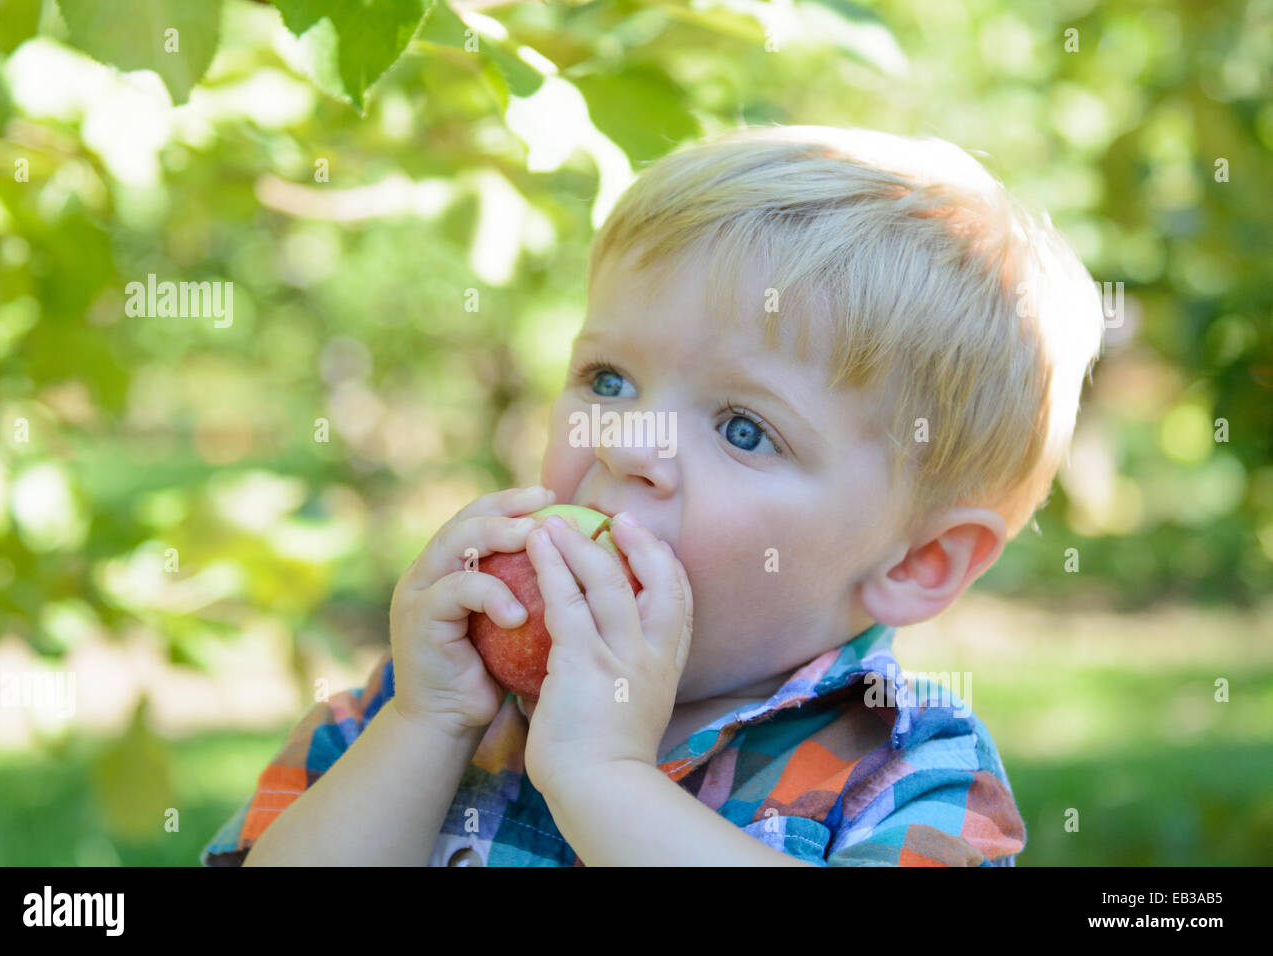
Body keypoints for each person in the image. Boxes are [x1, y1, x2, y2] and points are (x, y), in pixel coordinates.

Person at [202, 124, 1103, 866]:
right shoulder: (420, 699)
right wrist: (422, 727)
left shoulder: (905, 771)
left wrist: (603, 780)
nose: (630, 443)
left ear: (914, 562)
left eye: (743, 428)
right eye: (609, 380)